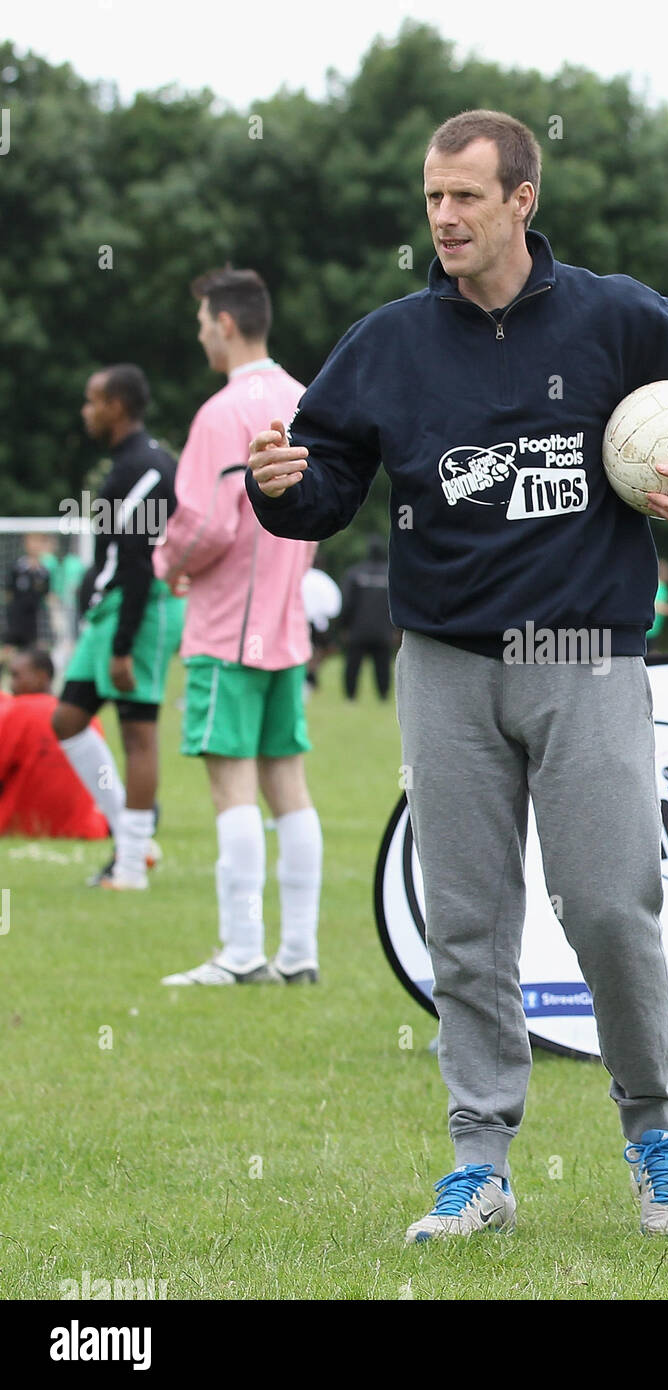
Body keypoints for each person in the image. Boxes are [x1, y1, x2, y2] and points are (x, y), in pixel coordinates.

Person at [246, 110, 668, 1242]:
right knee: (466, 920)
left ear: (521, 201)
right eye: (432, 197)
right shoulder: (389, 341)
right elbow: (324, 487)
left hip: (587, 657)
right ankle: (479, 1163)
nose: (443, 217)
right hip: (445, 663)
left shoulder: (617, 317)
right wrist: (278, 486)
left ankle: (654, 1138)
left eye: (465, 197)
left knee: (607, 907)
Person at [154, 268, 322, 987]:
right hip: (287, 625)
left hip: (226, 630)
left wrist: (168, 562)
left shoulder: (220, 412)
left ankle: (241, 951)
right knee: (289, 785)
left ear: (225, 323)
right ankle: (300, 952)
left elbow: (205, 521)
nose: (197, 336)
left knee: (231, 788)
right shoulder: (306, 398)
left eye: (200, 322)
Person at [51, 365, 184, 889]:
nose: (86, 410)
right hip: (112, 608)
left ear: (118, 406)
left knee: (138, 731)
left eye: (93, 401)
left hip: (140, 609)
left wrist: (123, 644)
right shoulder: (123, 464)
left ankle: (130, 867)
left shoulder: (149, 465)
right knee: (67, 718)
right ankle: (136, 839)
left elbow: (137, 558)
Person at [0, 649, 110, 840]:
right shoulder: (89, 718)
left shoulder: (13, 711)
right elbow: (104, 777)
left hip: (18, 825)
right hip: (84, 828)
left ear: (42, 677)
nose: (11, 684)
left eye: (16, 676)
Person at [338, 537, 395, 700]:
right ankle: (383, 695)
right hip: (384, 630)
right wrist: (397, 629)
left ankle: (351, 696)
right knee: (383, 665)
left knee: (353, 665)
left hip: (358, 629)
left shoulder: (355, 573)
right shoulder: (390, 573)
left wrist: (343, 627)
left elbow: (347, 602)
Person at [3, 532, 52, 658]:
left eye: (39, 542)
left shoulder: (44, 572)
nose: (35, 546)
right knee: (8, 650)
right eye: (33, 541)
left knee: (30, 654)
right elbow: (8, 593)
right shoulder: (17, 567)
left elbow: (46, 595)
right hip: (15, 618)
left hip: (33, 621)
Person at [301, 566, 343, 692]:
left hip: (311, 620)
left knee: (317, 650)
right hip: (316, 620)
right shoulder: (319, 579)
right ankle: (309, 675)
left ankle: (310, 674)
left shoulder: (309, 577)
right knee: (317, 649)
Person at [645, 558, 668, 654]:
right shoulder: (659, 586)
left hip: (652, 631)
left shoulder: (661, 587)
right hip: (648, 631)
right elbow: (654, 605)